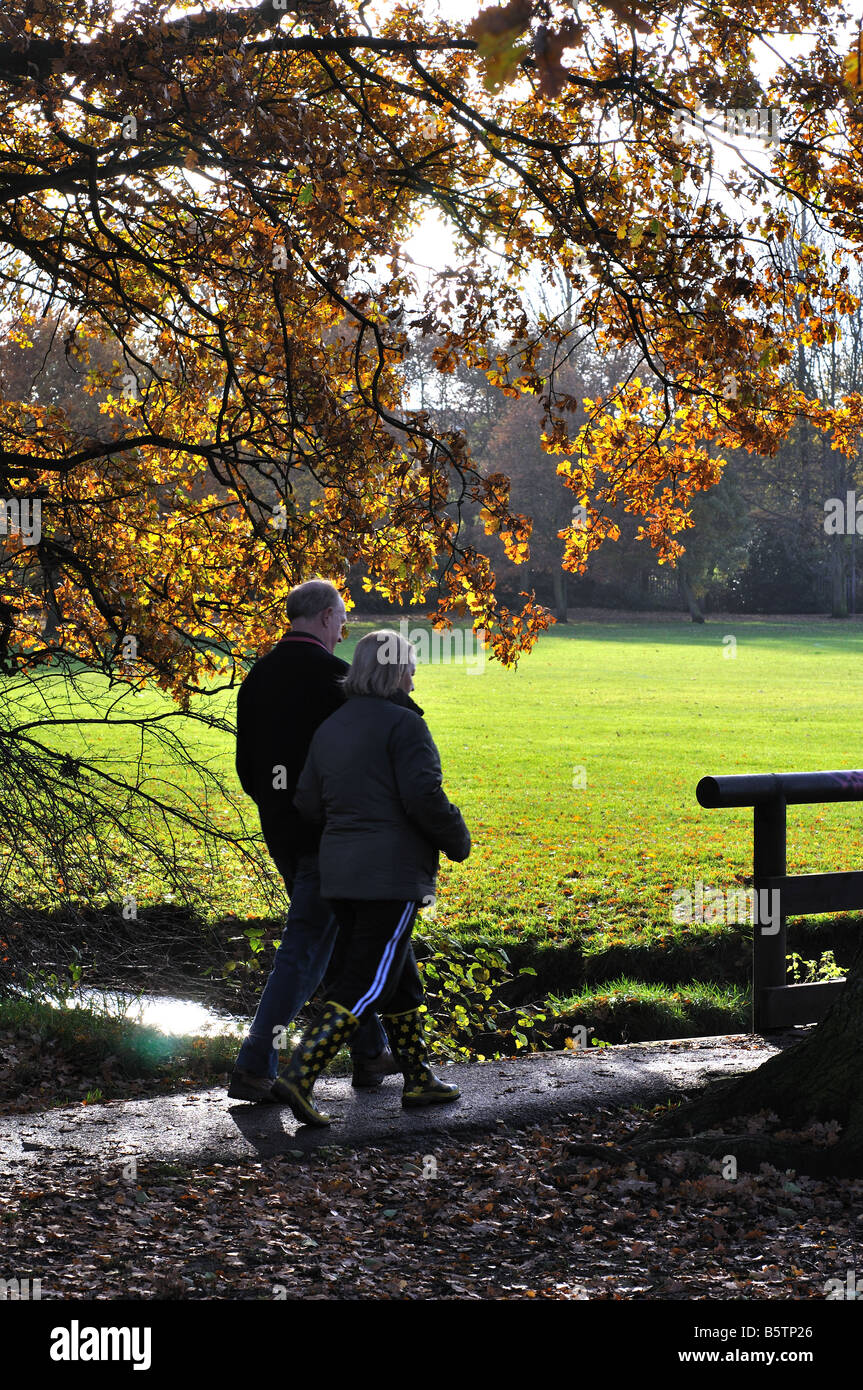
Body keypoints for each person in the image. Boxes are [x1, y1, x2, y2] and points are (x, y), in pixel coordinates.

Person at [281, 629, 471, 1126]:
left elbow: (305, 801)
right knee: (367, 979)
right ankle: (301, 1072)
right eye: (409, 666)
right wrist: (457, 839)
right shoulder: (404, 725)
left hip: (341, 875)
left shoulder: (331, 727)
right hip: (390, 875)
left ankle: (419, 1078)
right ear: (393, 671)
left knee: (400, 979)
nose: (413, 675)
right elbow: (423, 797)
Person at [228, 580, 394, 1102]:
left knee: (336, 940)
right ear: (324, 617)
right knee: (306, 948)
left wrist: (278, 809)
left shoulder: (257, 678)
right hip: (332, 835)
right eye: (341, 617)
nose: (344, 627)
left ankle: (370, 1052)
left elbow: (249, 768)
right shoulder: (336, 678)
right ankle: (256, 1062)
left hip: (282, 828)